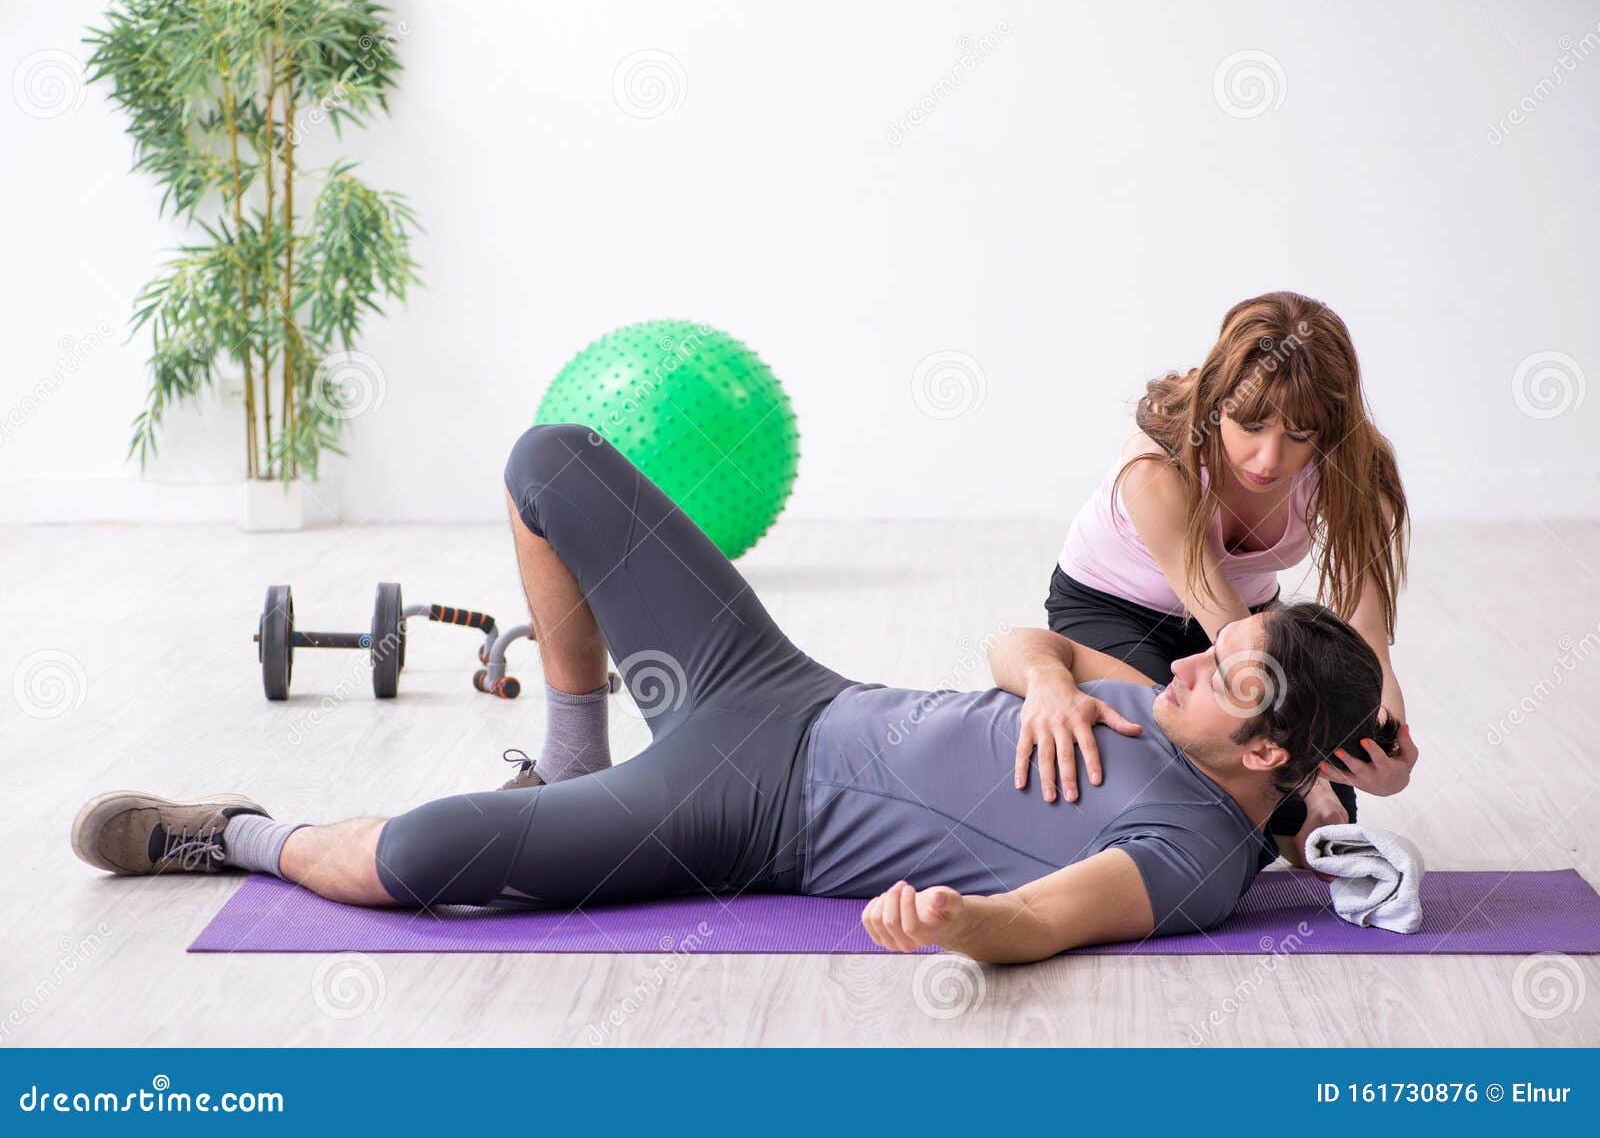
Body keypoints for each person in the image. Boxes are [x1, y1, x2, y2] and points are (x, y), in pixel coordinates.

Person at [71, 424, 1399, 963]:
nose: (1185, 660)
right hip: (779, 684)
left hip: (749, 806)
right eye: (1213, 644)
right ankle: (572, 746)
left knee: (420, 859)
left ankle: (233, 833)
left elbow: (1045, 920)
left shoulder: (1187, 857)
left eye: (1222, 674)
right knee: (550, 462)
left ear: (1266, 752)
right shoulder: (1173, 700)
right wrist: (1052, 677)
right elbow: (1014, 642)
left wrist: (954, 922)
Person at [1043, 291, 1418, 860]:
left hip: (1250, 625)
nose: (1268, 459)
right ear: (1218, 403)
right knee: (1178, 745)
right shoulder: (1156, 463)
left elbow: (1368, 639)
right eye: (1250, 425)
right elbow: (1230, 638)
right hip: (1114, 610)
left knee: (1326, 804)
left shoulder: (1358, 470)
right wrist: (1306, 780)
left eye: (1299, 437)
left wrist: (1385, 751)